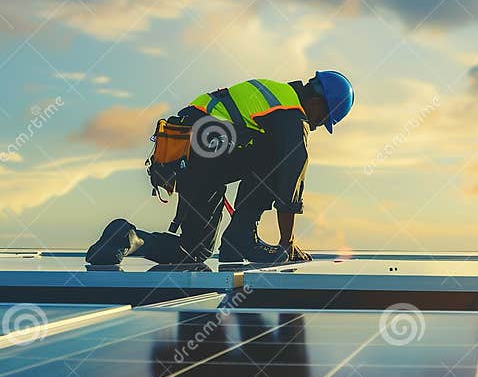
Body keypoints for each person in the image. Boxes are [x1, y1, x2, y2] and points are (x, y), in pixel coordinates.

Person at [85, 71, 354, 266]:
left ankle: (126, 238)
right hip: (207, 153)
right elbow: (291, 174)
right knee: (284, 153)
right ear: (317, 103)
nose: (316, 126)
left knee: (193, 251)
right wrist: (287, 242)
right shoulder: (290, 112)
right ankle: (241, 236)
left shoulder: (273, 94)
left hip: (193, 159)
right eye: (322, 120)